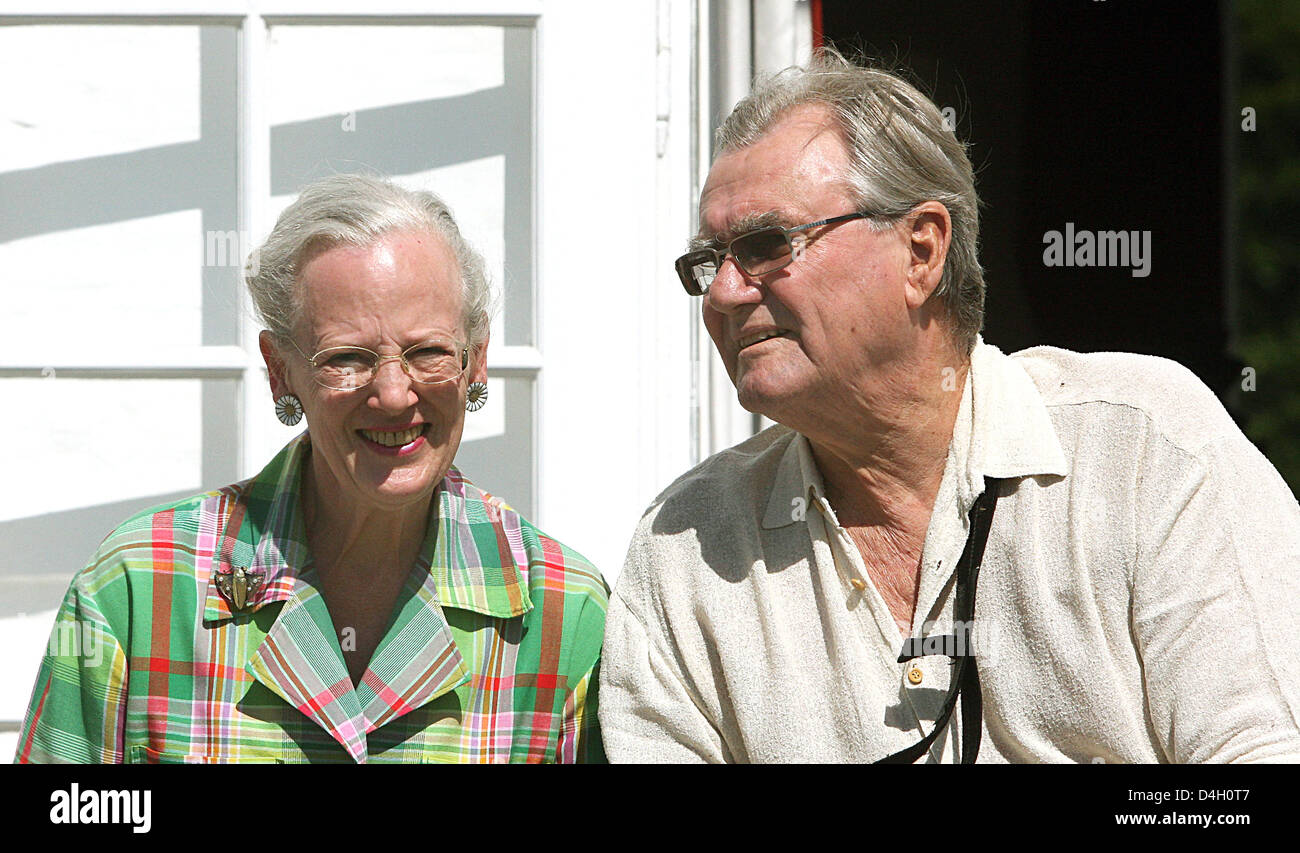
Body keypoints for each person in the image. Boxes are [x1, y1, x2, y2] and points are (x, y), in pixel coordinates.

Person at [599, 51, 1300, 763]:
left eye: (764, 244)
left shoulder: (1146, 450)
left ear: (922, 249)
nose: (722, 293)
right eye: (709, 261)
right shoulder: (684, 549)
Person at [17, 174, 607, 764]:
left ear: (475, 359)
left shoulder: (562, 612)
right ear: (281, 371)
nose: (394, 394)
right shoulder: (137, 590)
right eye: (346, 358)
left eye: (427, 352)